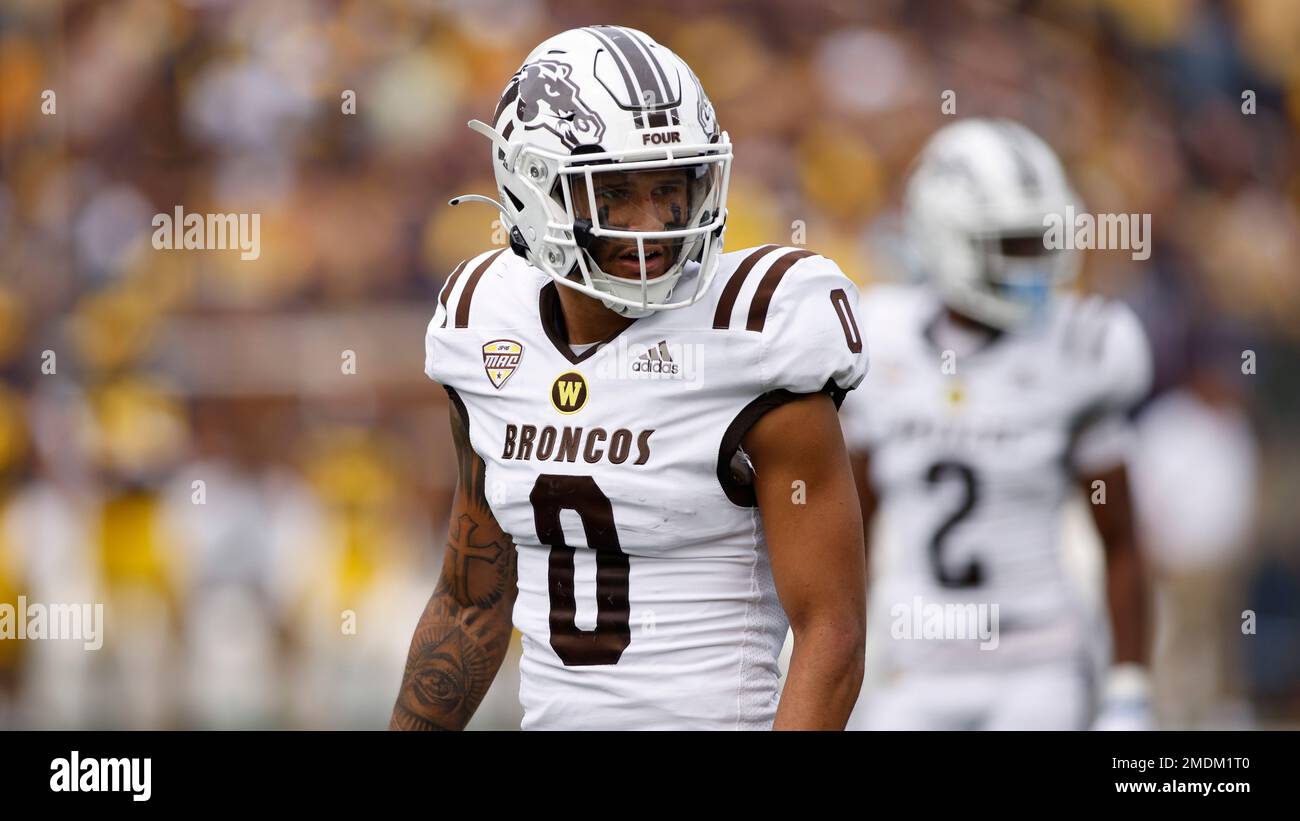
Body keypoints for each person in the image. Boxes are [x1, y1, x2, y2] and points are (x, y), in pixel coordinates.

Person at [391, 26, 869, 730]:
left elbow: (831, 629)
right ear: (534, 188)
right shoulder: (483, 324)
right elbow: (472, 601)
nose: (653, 226)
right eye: (613, 193)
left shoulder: (756, 333)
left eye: (669, 188)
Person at [841, 119, 1154, 730]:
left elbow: (1121, 540)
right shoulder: (877, 340)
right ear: (944, 239)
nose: (1037, 265)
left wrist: (1128, 689)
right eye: (1014, 246)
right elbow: (852, 528)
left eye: (1042, 242)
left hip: (1036, 665)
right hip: (914, 660)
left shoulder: (1084, 345)